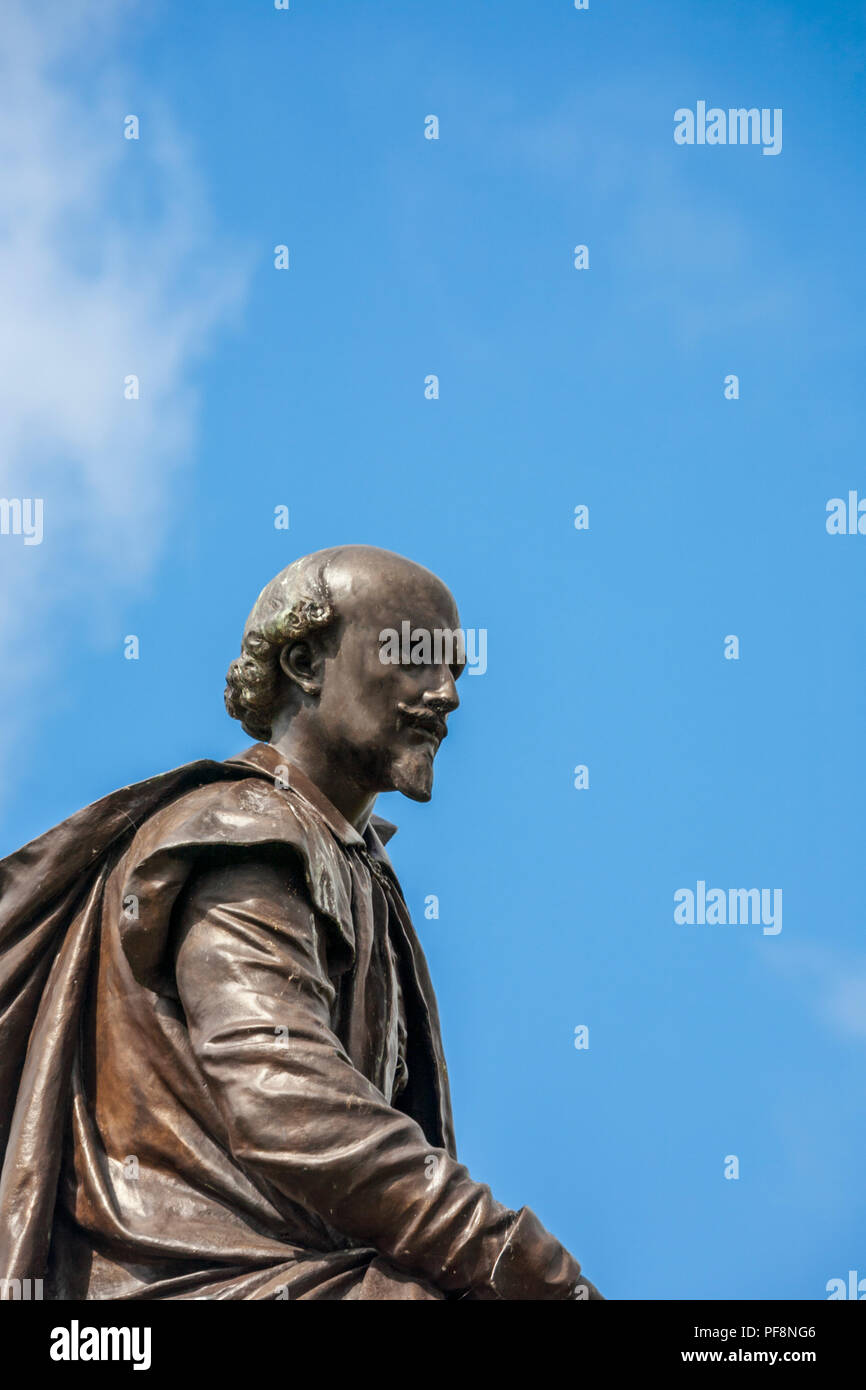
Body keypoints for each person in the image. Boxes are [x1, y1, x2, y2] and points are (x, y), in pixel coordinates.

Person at [0, 545, 602, 1300]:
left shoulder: (360, 876)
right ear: (308, 663)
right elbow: (286, 1102)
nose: (447, 695)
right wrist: (519, 1260)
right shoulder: (242, 832)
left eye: (456, 670)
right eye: (416, 658)